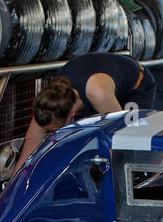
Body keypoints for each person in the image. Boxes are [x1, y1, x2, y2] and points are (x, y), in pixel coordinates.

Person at [17, 52, 154, 166]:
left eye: (55, 129)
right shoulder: (49, 103)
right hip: (98, 78)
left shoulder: (98, 95)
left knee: (130, 141)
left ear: (72, 113)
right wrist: (13, 188)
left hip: (135, 85)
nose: (53, 133)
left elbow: (118, 141)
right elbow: (30, 146)